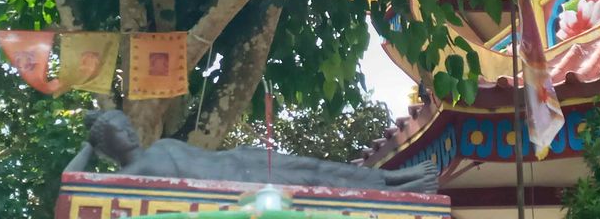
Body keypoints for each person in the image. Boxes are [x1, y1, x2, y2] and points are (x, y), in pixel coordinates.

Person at [64, 110, 437, 193]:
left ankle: (390, 176)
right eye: (118, 134)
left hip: (240, 161)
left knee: (314, 166)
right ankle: (394, 190)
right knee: (311, 183)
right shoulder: (129, 178)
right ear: (106, 146)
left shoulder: (159, 145)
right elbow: (71, 182)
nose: (129, 134)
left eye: (128, 127)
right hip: (235, 186)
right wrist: (87, 144)